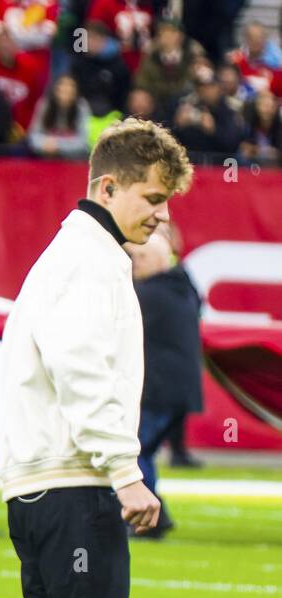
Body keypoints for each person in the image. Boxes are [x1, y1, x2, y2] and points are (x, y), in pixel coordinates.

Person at [0, 118, 191, 598]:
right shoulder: (92, 261)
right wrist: (126, 471)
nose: (162, 214)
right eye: (152, 197)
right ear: (106, 187)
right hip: (76, 486)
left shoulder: (72, 254)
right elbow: (82, 372)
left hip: (41, 486)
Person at [130, 228, 201, 539]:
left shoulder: (149, 295)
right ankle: (157, 515)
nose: (134, 263)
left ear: (159, 260)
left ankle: (147, 517)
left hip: (158, 389)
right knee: (142, 452)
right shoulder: (183, 288)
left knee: (133, 453)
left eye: (141, 256)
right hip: (179, 391)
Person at [28, 74, 92, 158]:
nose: (66, 89)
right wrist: (44, 144)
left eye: (70, 86)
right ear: (55, 89)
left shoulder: (82, 107)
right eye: (62, 85)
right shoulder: (45, 104)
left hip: (72, 157)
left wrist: (58, 145)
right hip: (45, 153)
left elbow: (84, 141)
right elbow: (33, 135)